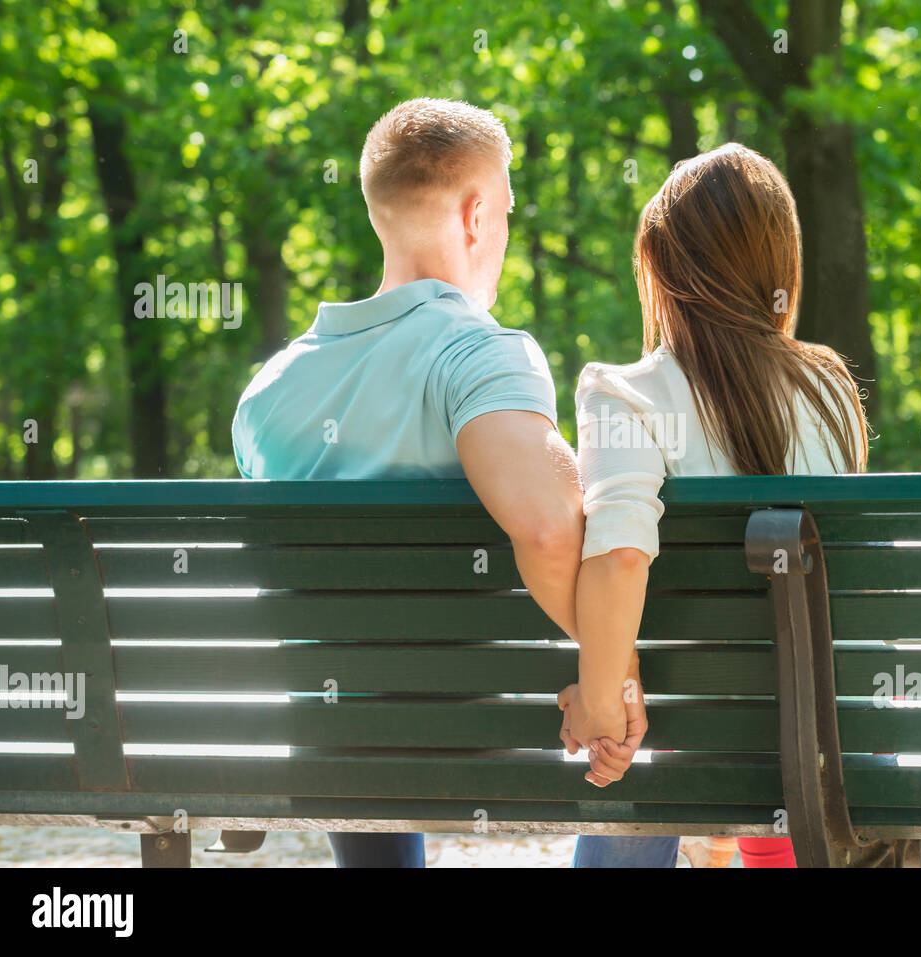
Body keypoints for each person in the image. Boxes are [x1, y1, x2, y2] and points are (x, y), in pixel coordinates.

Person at [231, 97, 588, 867]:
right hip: (487, 731)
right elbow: (554, 526)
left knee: (351, 709)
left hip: (328, 742)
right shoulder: (479, 357)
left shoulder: (268, 393)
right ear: (474, 215)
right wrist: (608, 665)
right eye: (507, 211)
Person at [561, 143, 870, 869]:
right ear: (780, 268)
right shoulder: (831, 391)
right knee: (755, 725)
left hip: (687, 737)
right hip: (824, 734)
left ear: (661, 268)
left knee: (636, 747)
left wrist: (604, 709)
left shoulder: (625, 393)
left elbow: (621, 552)